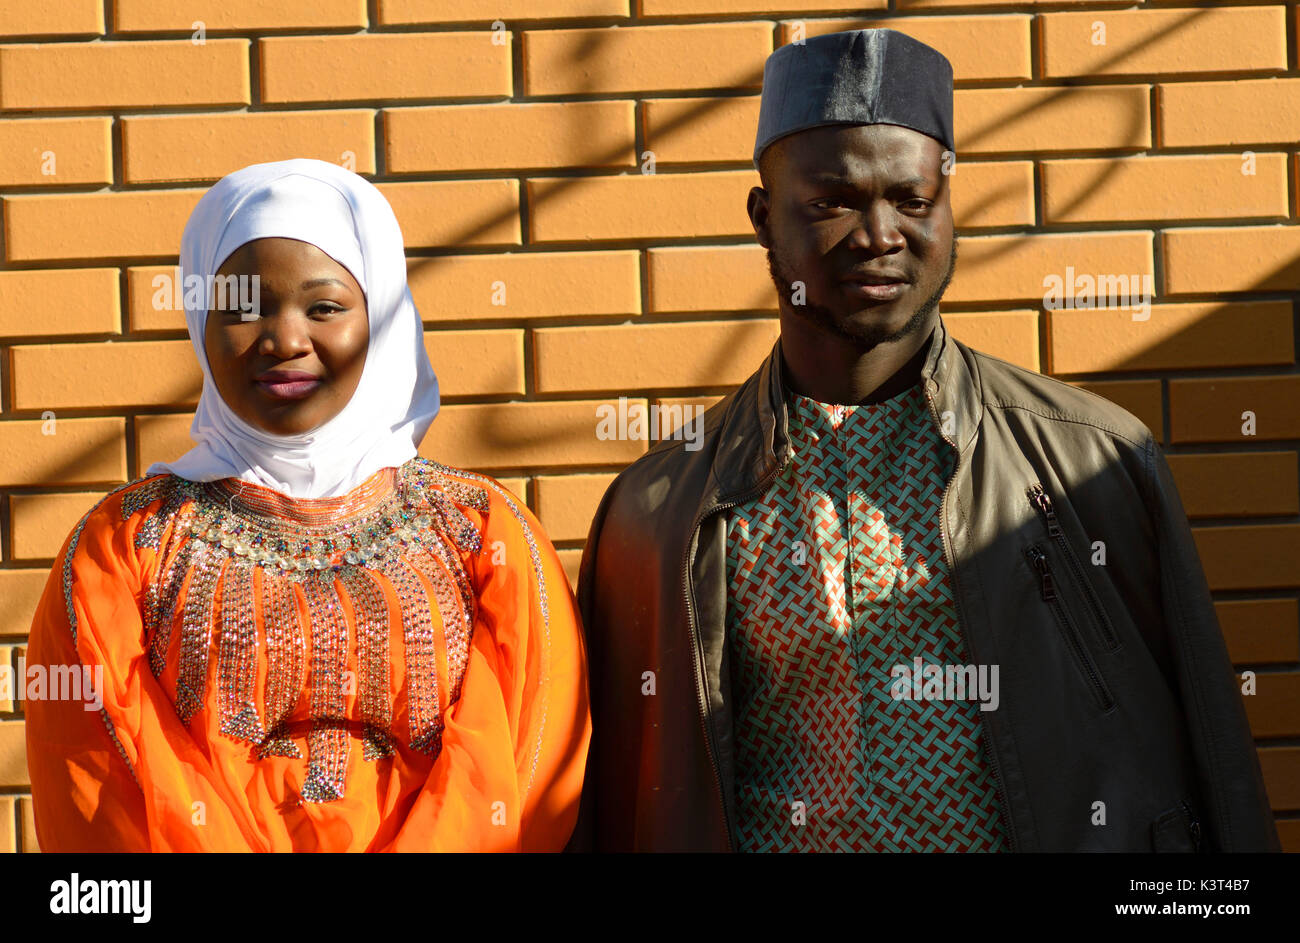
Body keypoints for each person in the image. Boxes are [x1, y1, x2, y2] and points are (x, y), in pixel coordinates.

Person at [571, 29, 1280, 852]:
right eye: (834, 201)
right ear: (764, 219)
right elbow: (618, 802)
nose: (880, 234)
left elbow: (1212, 754)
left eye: (912, 201)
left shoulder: (1094, 462)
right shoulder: (656, 514)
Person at [24, 158, 589, 852]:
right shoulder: (122, 547)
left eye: (324, 307)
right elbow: (97, 783)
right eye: (240, 307)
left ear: (381, 316)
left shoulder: (484, 532)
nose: (285, 339)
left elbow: (529, 761)